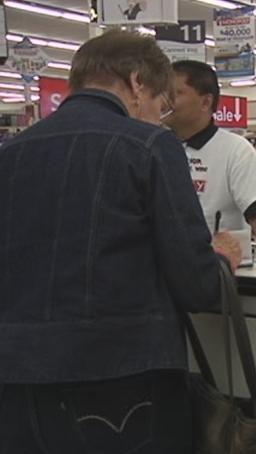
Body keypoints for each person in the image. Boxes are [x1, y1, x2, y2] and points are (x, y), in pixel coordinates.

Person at [0, 30, 241, 453]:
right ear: (136, 84)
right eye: (158, 105)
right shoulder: (149, 145)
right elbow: (195, 283)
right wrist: (219, 258)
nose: (157, 117)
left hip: (15, 383)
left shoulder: (11, 154)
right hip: (120, 385)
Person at [163, 60, 256, 259]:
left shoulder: (235, 150)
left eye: (176, 93)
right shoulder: (156, 148)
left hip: (219, 273)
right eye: (163, 92)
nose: (165, 101)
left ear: (205, 102)